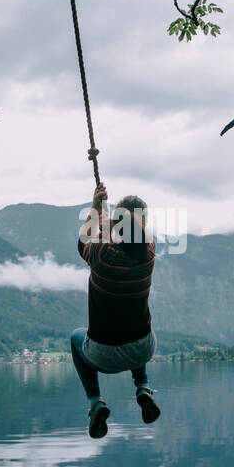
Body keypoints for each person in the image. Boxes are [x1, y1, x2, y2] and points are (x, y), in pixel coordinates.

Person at [71, 183, 160, 438]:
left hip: (102, 355)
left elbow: (82, 244)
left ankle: (96, 403)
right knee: (136, 326)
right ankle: (143, 387)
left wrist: (96, 209)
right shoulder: (149, 255)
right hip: (142, 350)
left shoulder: (100, 253)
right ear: (144, 224)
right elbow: (133, 237)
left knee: (75, 336)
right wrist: (112, 218)